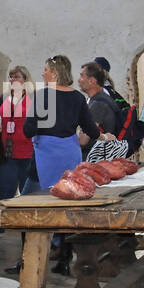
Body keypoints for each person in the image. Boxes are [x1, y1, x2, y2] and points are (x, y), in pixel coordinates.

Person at [23, 55, 100, 275]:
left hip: (45, 156)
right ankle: (64, 258)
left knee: (26, 205)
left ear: (55, 73)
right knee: (67, 204)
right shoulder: (77, 97)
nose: (43, 73)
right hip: (69, 156)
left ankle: (27, 260)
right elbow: (91, 129)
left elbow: (28, 130)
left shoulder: (42, 96)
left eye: (46, 69)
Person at [0, 65, 37, 241]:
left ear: (25, 79)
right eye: (11, 77)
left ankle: (33, 228)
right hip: (8, 151)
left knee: (29, 194)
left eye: (17, 77)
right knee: (3, 190)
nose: (13, 80)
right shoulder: (3, 99)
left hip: (28, 151)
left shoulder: (33, 100)